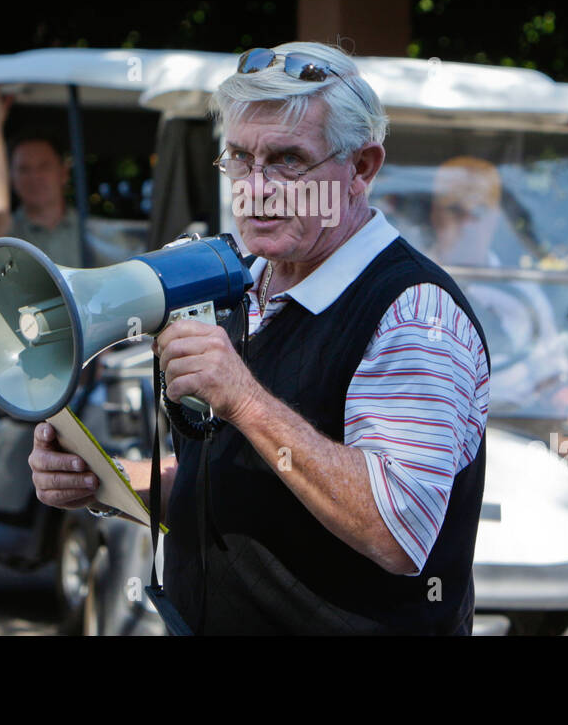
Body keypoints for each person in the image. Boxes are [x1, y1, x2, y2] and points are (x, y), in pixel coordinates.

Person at [29, 42, 491, 634]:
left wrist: (244, 400)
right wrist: (103, 481)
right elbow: (233, 488)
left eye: (289, 160)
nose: (257, 185)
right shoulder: (242, 283)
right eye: (241, 157)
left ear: (362, 168)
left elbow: (398, 530)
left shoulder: (414, 313)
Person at [427, 155, 568, 529]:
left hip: (523, 416)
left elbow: (551, 370)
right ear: (436, 215)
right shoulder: (416, 279)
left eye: (477, 212)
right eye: (455, 211)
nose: (466, 224)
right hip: (441, 416)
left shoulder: (520, 289)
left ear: (492, 218)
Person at [0, 85, 81, 267]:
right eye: (23, 169)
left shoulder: (92, 233)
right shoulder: (5, 233)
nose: (34, 176)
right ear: (11, 179)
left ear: (63, 173)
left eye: (44, 167)